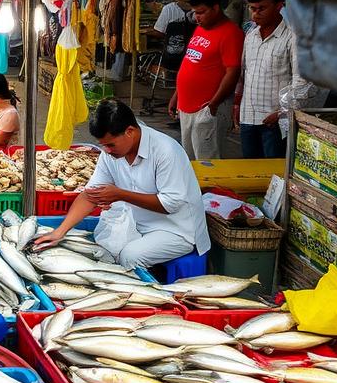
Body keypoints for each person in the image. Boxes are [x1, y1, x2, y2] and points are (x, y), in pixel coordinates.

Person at [34, 99, 209, 270]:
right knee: (101, 247)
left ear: (130, 131)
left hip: (177, 230)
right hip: (137, 222)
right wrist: (60, 231)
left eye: (110, 144)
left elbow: (170, 204)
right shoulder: (110, 154)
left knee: (129, 256)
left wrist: (120, 194)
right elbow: (91, 195)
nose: (107, 151)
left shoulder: (166, 151)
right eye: (103, 146)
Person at [169, 0, 244, 159]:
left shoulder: (231, 33)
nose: (197, 17)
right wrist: (176, 95)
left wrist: (213, 105)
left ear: (216, 8)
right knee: (189, 158)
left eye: (201, 12)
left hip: (207, 108)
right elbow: (190, 62)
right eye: (195, 12)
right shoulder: (201, 27)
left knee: (207, 160)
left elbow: (232, 72)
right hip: (187, 106)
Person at [236, 0, 305, 158]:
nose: (255, 14)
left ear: (279, 6)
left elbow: (301, 82)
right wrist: (237, 103)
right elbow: (243, 73)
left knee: (274, 174)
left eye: (261, 8)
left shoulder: (292, 37)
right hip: (248, 117)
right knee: (250, 172)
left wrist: (282, 113)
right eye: (252, 8)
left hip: (274, 122)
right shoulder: (250, 36)